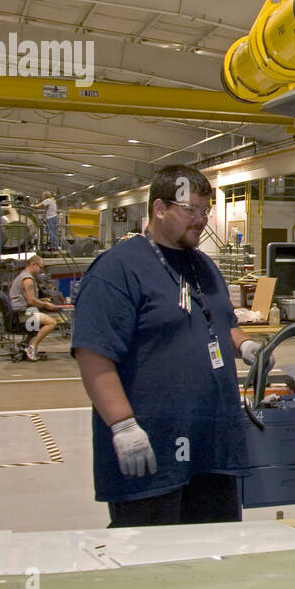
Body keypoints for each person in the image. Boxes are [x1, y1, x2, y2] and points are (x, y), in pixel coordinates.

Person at [71, 165, 265, 527]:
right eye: (191, 210)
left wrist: (245, 346)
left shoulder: (204, 265)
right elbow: (93, 355)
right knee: (152, 562)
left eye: (205, 211)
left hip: (212, 447)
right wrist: (123, 426)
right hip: (152, 450)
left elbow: (222, 323)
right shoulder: (118, 270)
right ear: (160, 209)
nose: (201, 220)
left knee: (213, 556)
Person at [8, 255, 62, 361]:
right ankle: (32, 347)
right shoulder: (28, 279)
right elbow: (31, 301)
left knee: (45, 319)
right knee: (52, 322)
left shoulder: (22, 276)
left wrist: (42, 301)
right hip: (23, 314)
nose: (41, 270)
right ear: (33, 265)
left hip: (19, 312)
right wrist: (46, 305)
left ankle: (26, 346)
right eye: (40, 267)